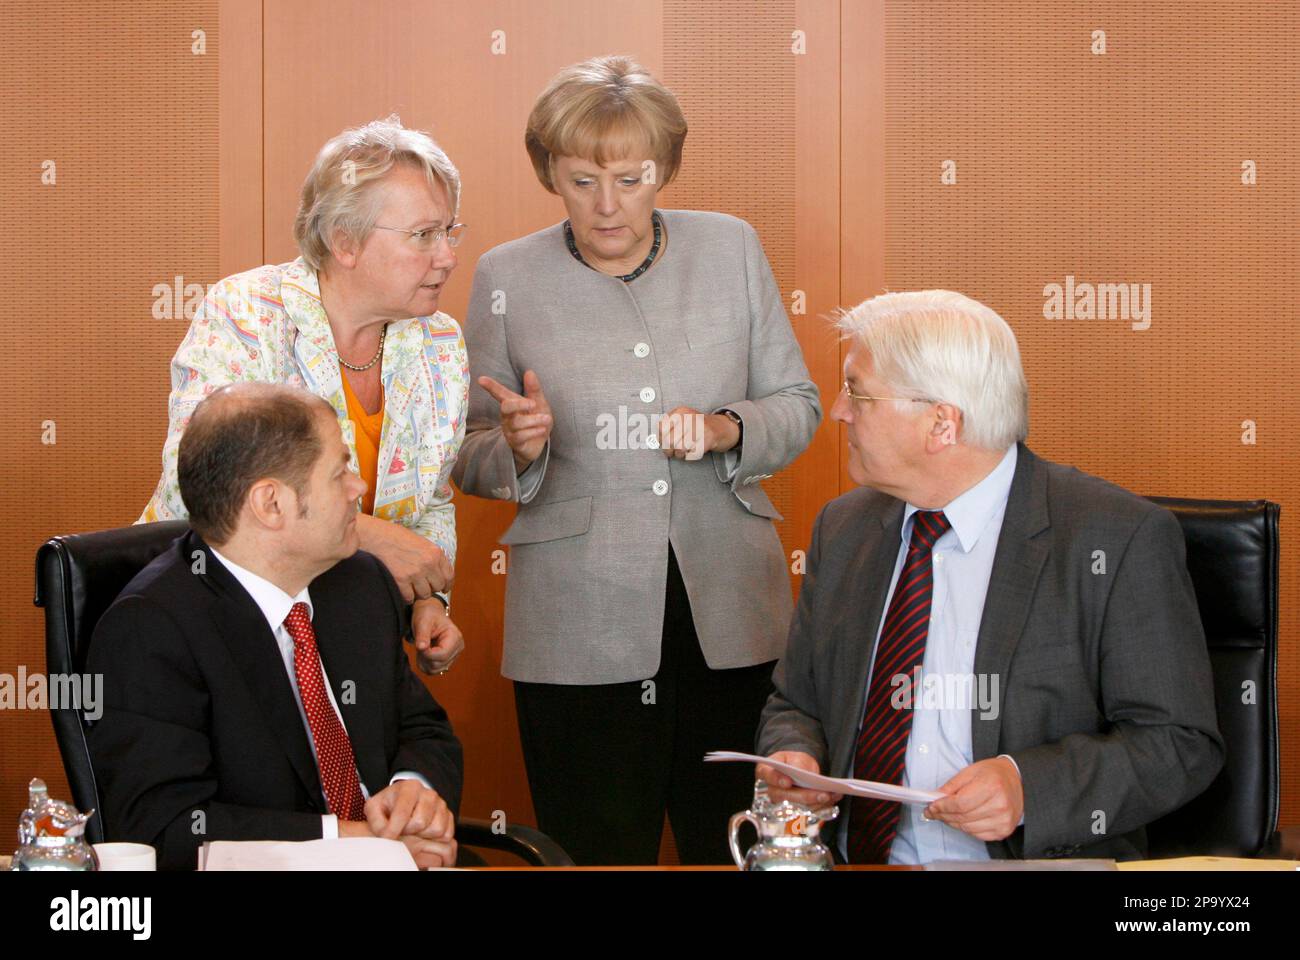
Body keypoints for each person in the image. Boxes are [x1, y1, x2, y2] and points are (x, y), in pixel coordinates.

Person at [453, 55, 821, 865]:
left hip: (729, 610)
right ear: (550, 171)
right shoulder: (504, 275)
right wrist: (516, 446)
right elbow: (465, 452)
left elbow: (800, 405)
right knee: (595, 853)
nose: (607, 204)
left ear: (666, 170)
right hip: (577, 623)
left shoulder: (730, 248)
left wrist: (729, 428)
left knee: (736, 848)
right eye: (583, 180)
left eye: (630, 177)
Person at [756, 290, 1224, 863]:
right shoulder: (846, 527)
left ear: (941, 423)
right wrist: (796, 757)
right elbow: (795, 703)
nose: (839, 411)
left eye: (858, 391)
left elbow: (1180, 743)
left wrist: (1028, 787)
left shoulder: (1114, 538)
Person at [140, 115, 468, 675]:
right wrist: (371, 537)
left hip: (350, 635)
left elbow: (431, 499)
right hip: (211, 624)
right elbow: (201, 488)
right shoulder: (245, 312)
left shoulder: (440, 340)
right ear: (345, 242)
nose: (448, 257)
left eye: (449, 232)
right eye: (423, 235)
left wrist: (427, 600)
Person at [90, 384, 464, 870]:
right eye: (340, 472)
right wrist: (358, 845)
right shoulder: (151, 628)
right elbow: (163, 827)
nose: (359, 488)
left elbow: (423, 727)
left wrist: (412, 791)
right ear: (270, 504)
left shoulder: (359, 582)